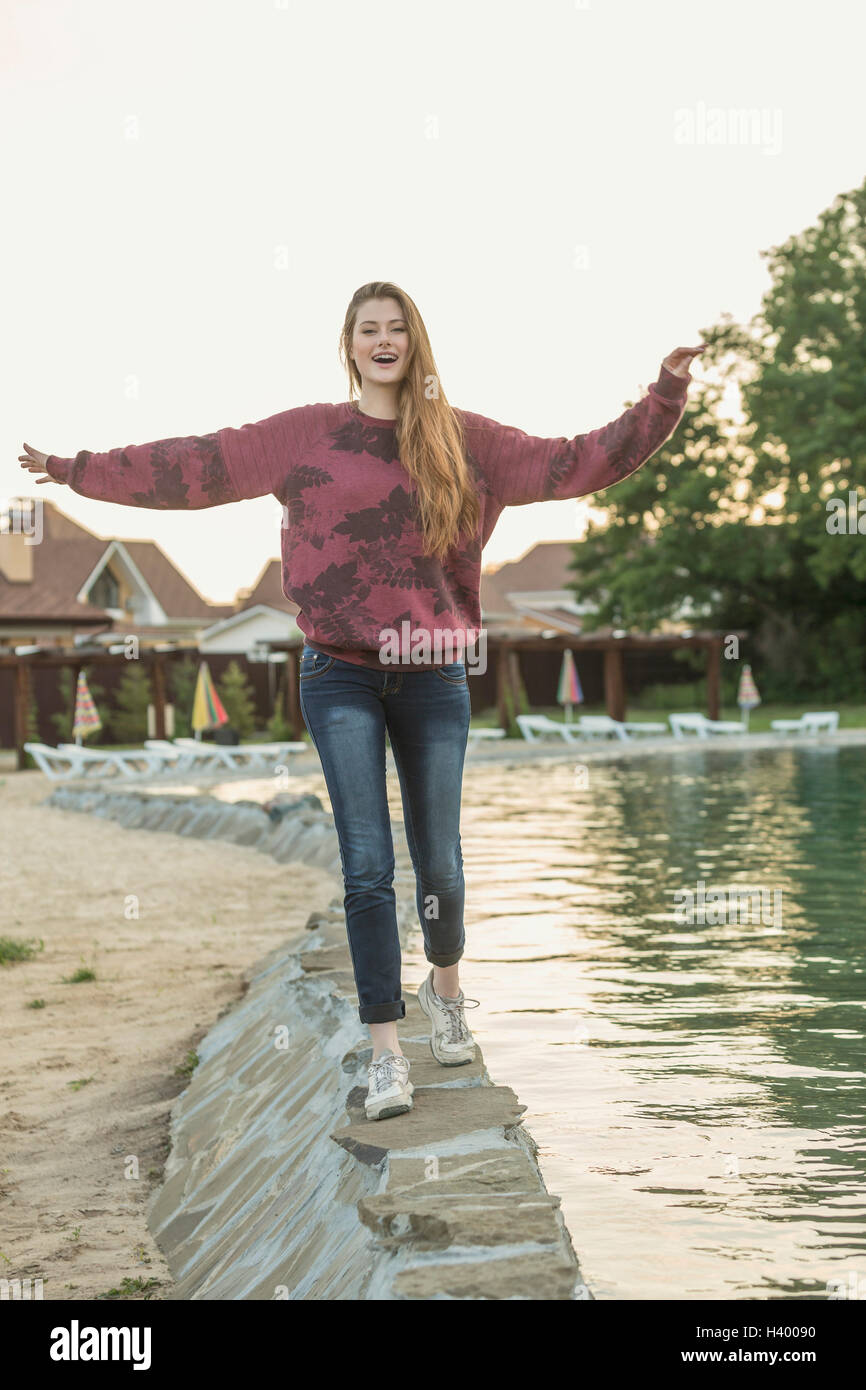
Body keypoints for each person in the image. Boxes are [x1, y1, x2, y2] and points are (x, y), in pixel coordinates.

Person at [20, 279, 705, 1122]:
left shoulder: (467, 442)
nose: (383, 340)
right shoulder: (307, 435)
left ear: (414, 342)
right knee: (366, 866)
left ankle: (446, 992)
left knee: (442, 864)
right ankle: (386, 1051)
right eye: (367, 329)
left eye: (396, 328)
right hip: (337, 673)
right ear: (348, 345)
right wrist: (75, 469)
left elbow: (581, 460)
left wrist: (665, 391)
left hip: (434, 676)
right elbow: (194, 467)